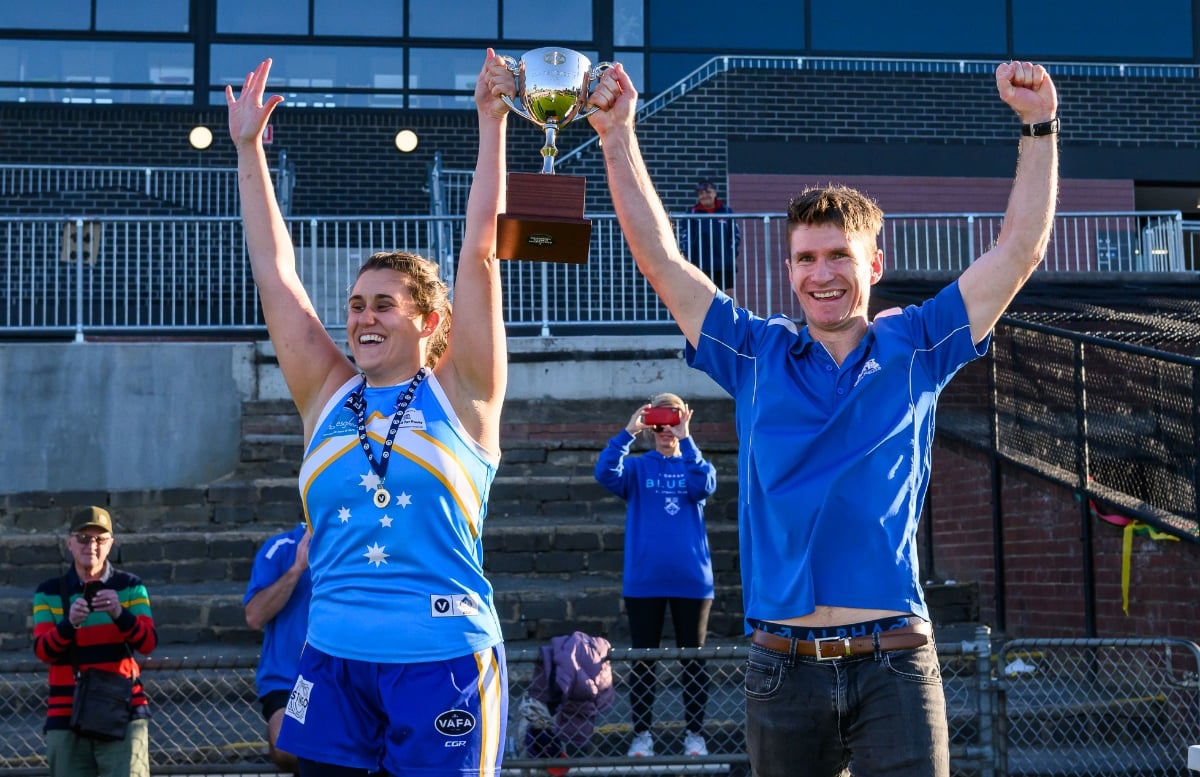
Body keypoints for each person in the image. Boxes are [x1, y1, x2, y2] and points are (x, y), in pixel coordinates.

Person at [587, 61, 1058, 777]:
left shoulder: (918, 344)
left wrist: (1038, 127)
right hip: (781, 668)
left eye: (839, 254)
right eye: (806, 257)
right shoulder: (754, 353)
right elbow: (661, 258)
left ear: (874, 262)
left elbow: (1018, 251)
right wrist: (618, 135)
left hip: (895, 663)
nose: (821, 272)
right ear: (789, 269)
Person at [226, 51, 513, 776]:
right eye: (355, 305)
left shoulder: (465, 391)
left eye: (383, 303)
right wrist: (248, 149)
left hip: (442, 663)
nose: (362, 318)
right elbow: (275, 270)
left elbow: (480, 252)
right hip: (331, 661)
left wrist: (490, 121)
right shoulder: (326, 393)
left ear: (431, 319)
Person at [593, 393, 717, 758]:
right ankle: (642, 734)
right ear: (650, 427)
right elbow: (605, 472)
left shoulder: (695, 464)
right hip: (644, 581)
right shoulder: (637, 468)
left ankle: (695, 734)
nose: (666, 431)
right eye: (659, 424)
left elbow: (704, 486)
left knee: (692, 659)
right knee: (643, 662)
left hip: (692, 582)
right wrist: (628, 433)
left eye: (672, 422)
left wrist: (687, 437)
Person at [32, 506, 158, 777]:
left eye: (100, 539)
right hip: (66, 714)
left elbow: (147, 643)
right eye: (83, 538)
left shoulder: (131, 587)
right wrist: (70, 624)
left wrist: (119, 613)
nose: (92, 545)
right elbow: (43, 651)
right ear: (69, 542)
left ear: (111, 544)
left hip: (122, 709)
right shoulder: (48, 592)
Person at [243, 522, 311, 774]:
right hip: (293, 681)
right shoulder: (281, 547)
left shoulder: (357, 546)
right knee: (288, 748)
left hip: (348, 678)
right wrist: (296, 570)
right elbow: (254, 617)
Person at [678, 179, 740, 298]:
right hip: (701, 263)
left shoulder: (727, 211)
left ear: (715, 193)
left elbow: (735, 237)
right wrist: (689, 259)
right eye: (701, 193)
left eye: (708, 192)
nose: (704, 195)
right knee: (704, 296)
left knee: (729, 295)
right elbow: (686, 238)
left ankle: (734, 317)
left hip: (724, 264)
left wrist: (729, 255)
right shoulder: (691, 213)